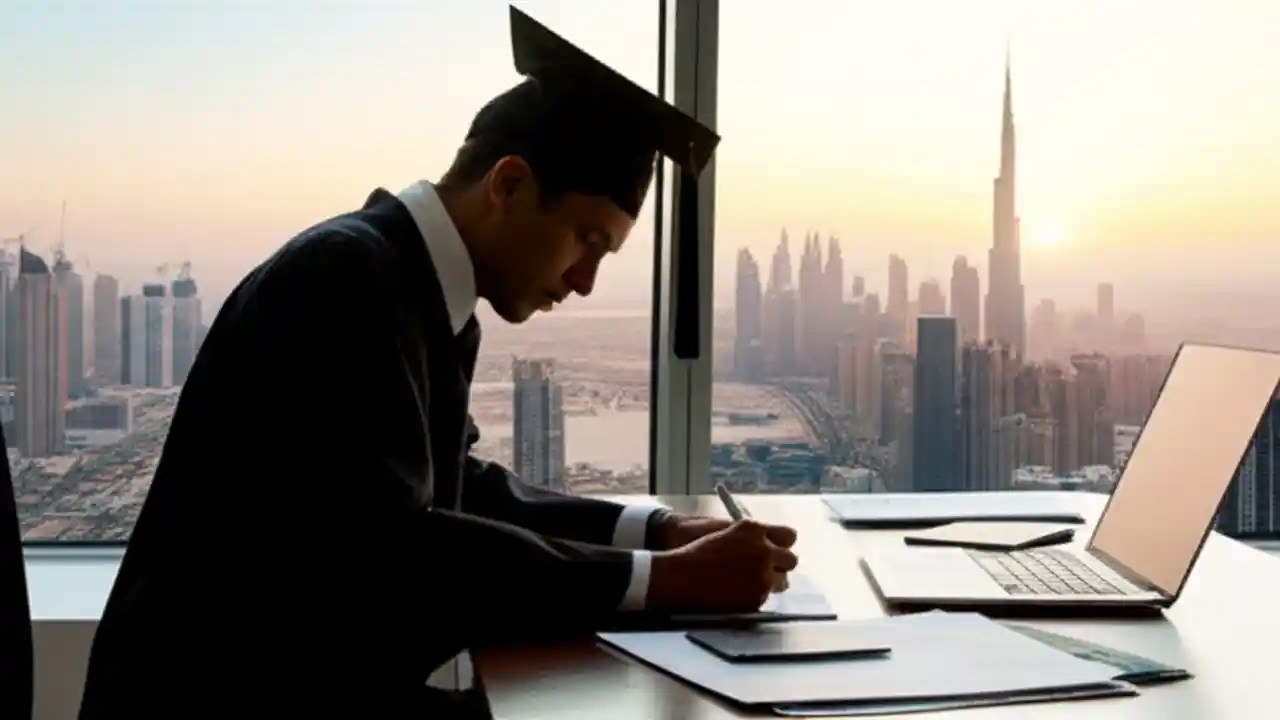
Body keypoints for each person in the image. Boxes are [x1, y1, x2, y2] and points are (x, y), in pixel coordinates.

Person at [78, 7, 798, 716]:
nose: (584, 281)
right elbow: (393, 546)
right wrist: (661, 581)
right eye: (586, 239)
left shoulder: (407, 282)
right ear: (508, 186)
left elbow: (460, 489)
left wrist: (652, 531)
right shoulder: (343, 280)